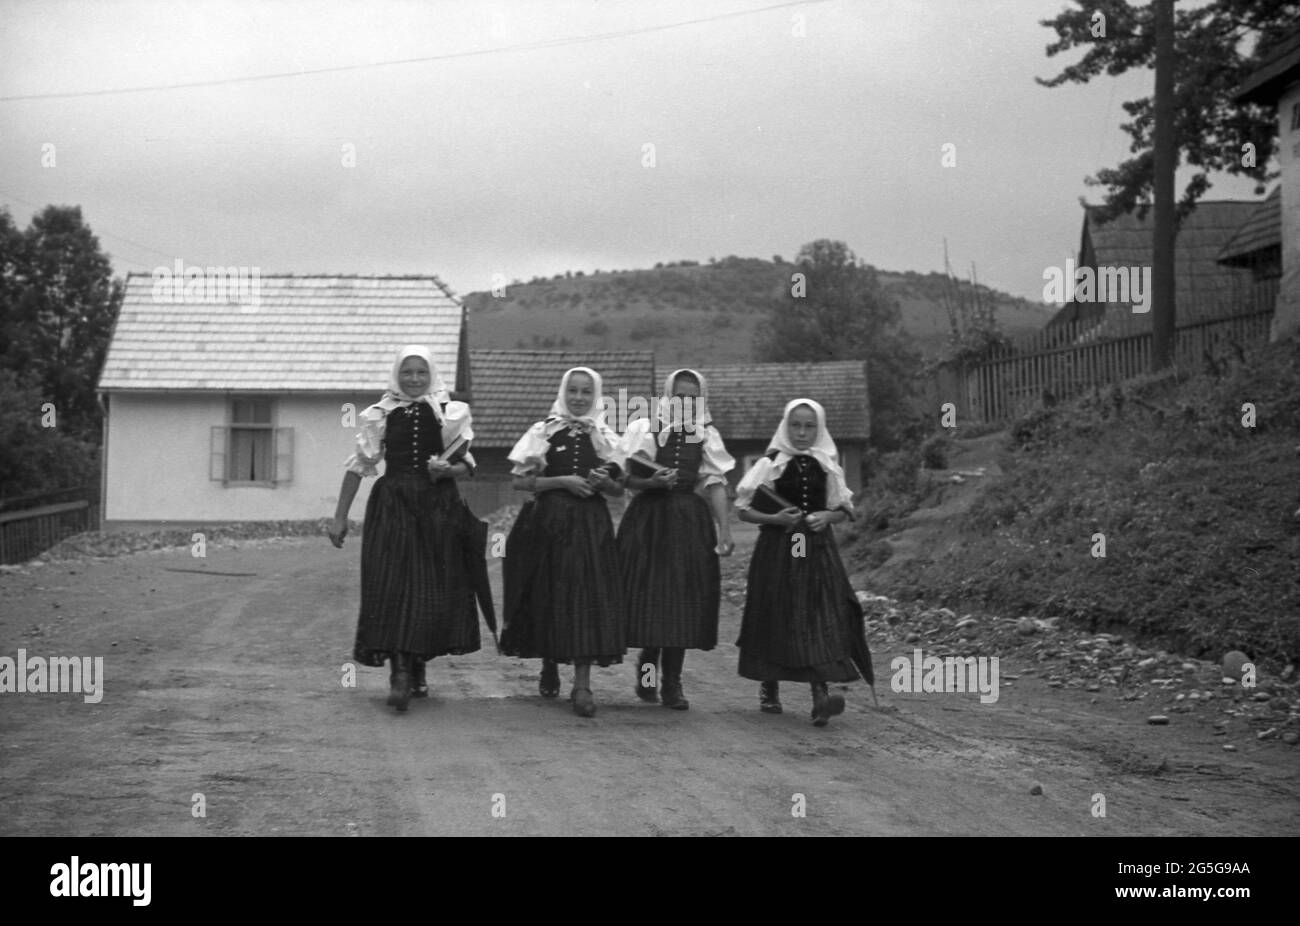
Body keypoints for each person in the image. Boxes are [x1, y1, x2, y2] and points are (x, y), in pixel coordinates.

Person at [328, 345, 480, 712]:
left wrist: (448, 470)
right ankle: (399, 673)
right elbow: (359, 465)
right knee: (392, 584)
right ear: (397, 375)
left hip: (437, 507)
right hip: (392, 505)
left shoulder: (449, 413)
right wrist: (339, 516)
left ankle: (417, 664)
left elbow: (467, 464)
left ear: (432, 375)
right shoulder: (381, 414)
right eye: (407, 372)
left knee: (429, 586)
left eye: (421, 372)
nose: (414, 379)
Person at [734, 398, 874, 726]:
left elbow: (844, 509)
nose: (801, 432)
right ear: (785, 427)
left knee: (818, 614)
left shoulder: (826, 464)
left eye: (809, 426)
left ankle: (820, 696)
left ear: (819, 429)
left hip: (815, 549)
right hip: (779, 548)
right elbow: (743, 510)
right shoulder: (771, 463)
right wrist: (776, 518)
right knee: (776, 611)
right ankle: (769, 686)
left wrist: (827, 516)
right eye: (795, 425)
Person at [499, 366, 627, 717]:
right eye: (573, 390)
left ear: (596, 395)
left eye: (586, 391)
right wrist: (563, 481)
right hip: (549, 522)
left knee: (587, 597)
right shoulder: (544, 431)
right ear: (562, 392)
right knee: (550, 592)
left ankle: (582, 685)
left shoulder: (605, 436)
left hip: (591, 525)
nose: (579, 398)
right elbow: (519, 482)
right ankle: (550, 663)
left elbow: (619, 489)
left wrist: (604, 482)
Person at [618, 369, 735, 710]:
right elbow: (626, 478)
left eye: (692, 398)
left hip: (688, 522)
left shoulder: (706, 434)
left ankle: (673, 683)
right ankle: (648, 670)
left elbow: (715, 484)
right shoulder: (646, 428)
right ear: (668, 396)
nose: (685, 404)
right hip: (649, 520)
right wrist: (652, 481)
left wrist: (725, 529)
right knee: (651, 597)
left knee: (682, 600)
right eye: (679, 396)